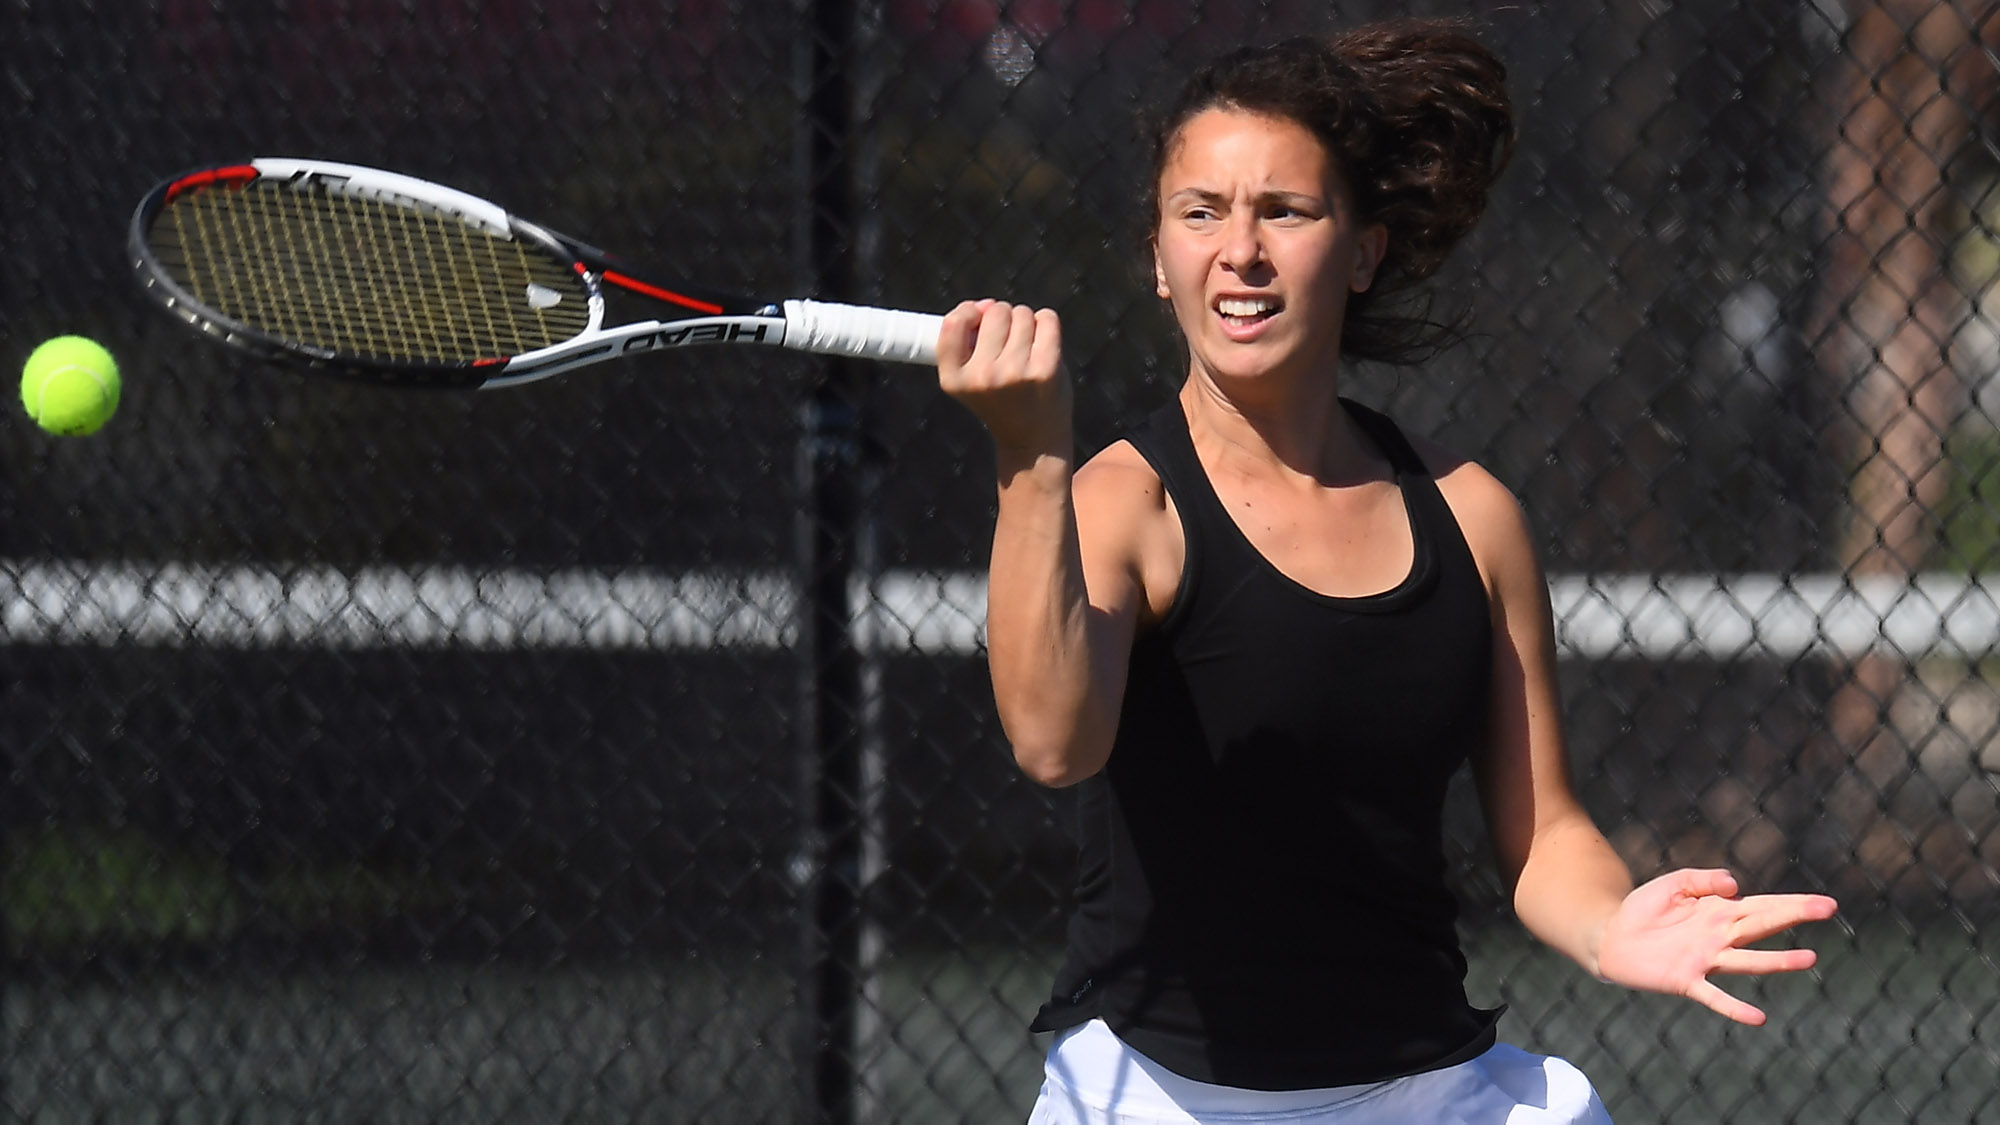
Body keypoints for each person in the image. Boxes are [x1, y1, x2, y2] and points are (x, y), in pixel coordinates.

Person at [935, 18, 1840, 1125]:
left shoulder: (1473, 518)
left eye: (1285, 210)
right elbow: (1051, 739)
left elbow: (1542, 829)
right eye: (1200, 213)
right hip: (1156, 1098)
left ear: (1360, 250)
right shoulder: (1123, 502)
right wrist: (1029, 462)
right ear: (1157, 259)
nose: (1240, 251)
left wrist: (1612, 924)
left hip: (1432, 1091)